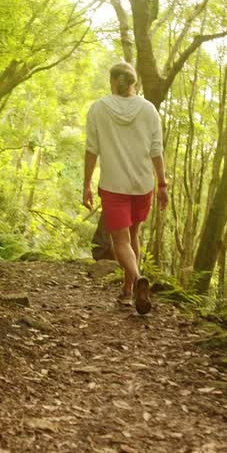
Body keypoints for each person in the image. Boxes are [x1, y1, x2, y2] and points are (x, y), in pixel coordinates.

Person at [83, 62, 168, 314]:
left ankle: (137, 279)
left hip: (113, 185)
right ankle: (128, 291)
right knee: (134, 237)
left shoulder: (98, 109)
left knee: (120, 241)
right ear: (134, 83)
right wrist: (162, 184)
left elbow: (91, 150)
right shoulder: (149, 110)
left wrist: (86, 183)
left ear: (112, 81)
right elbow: (156, 151)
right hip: (142, 184)